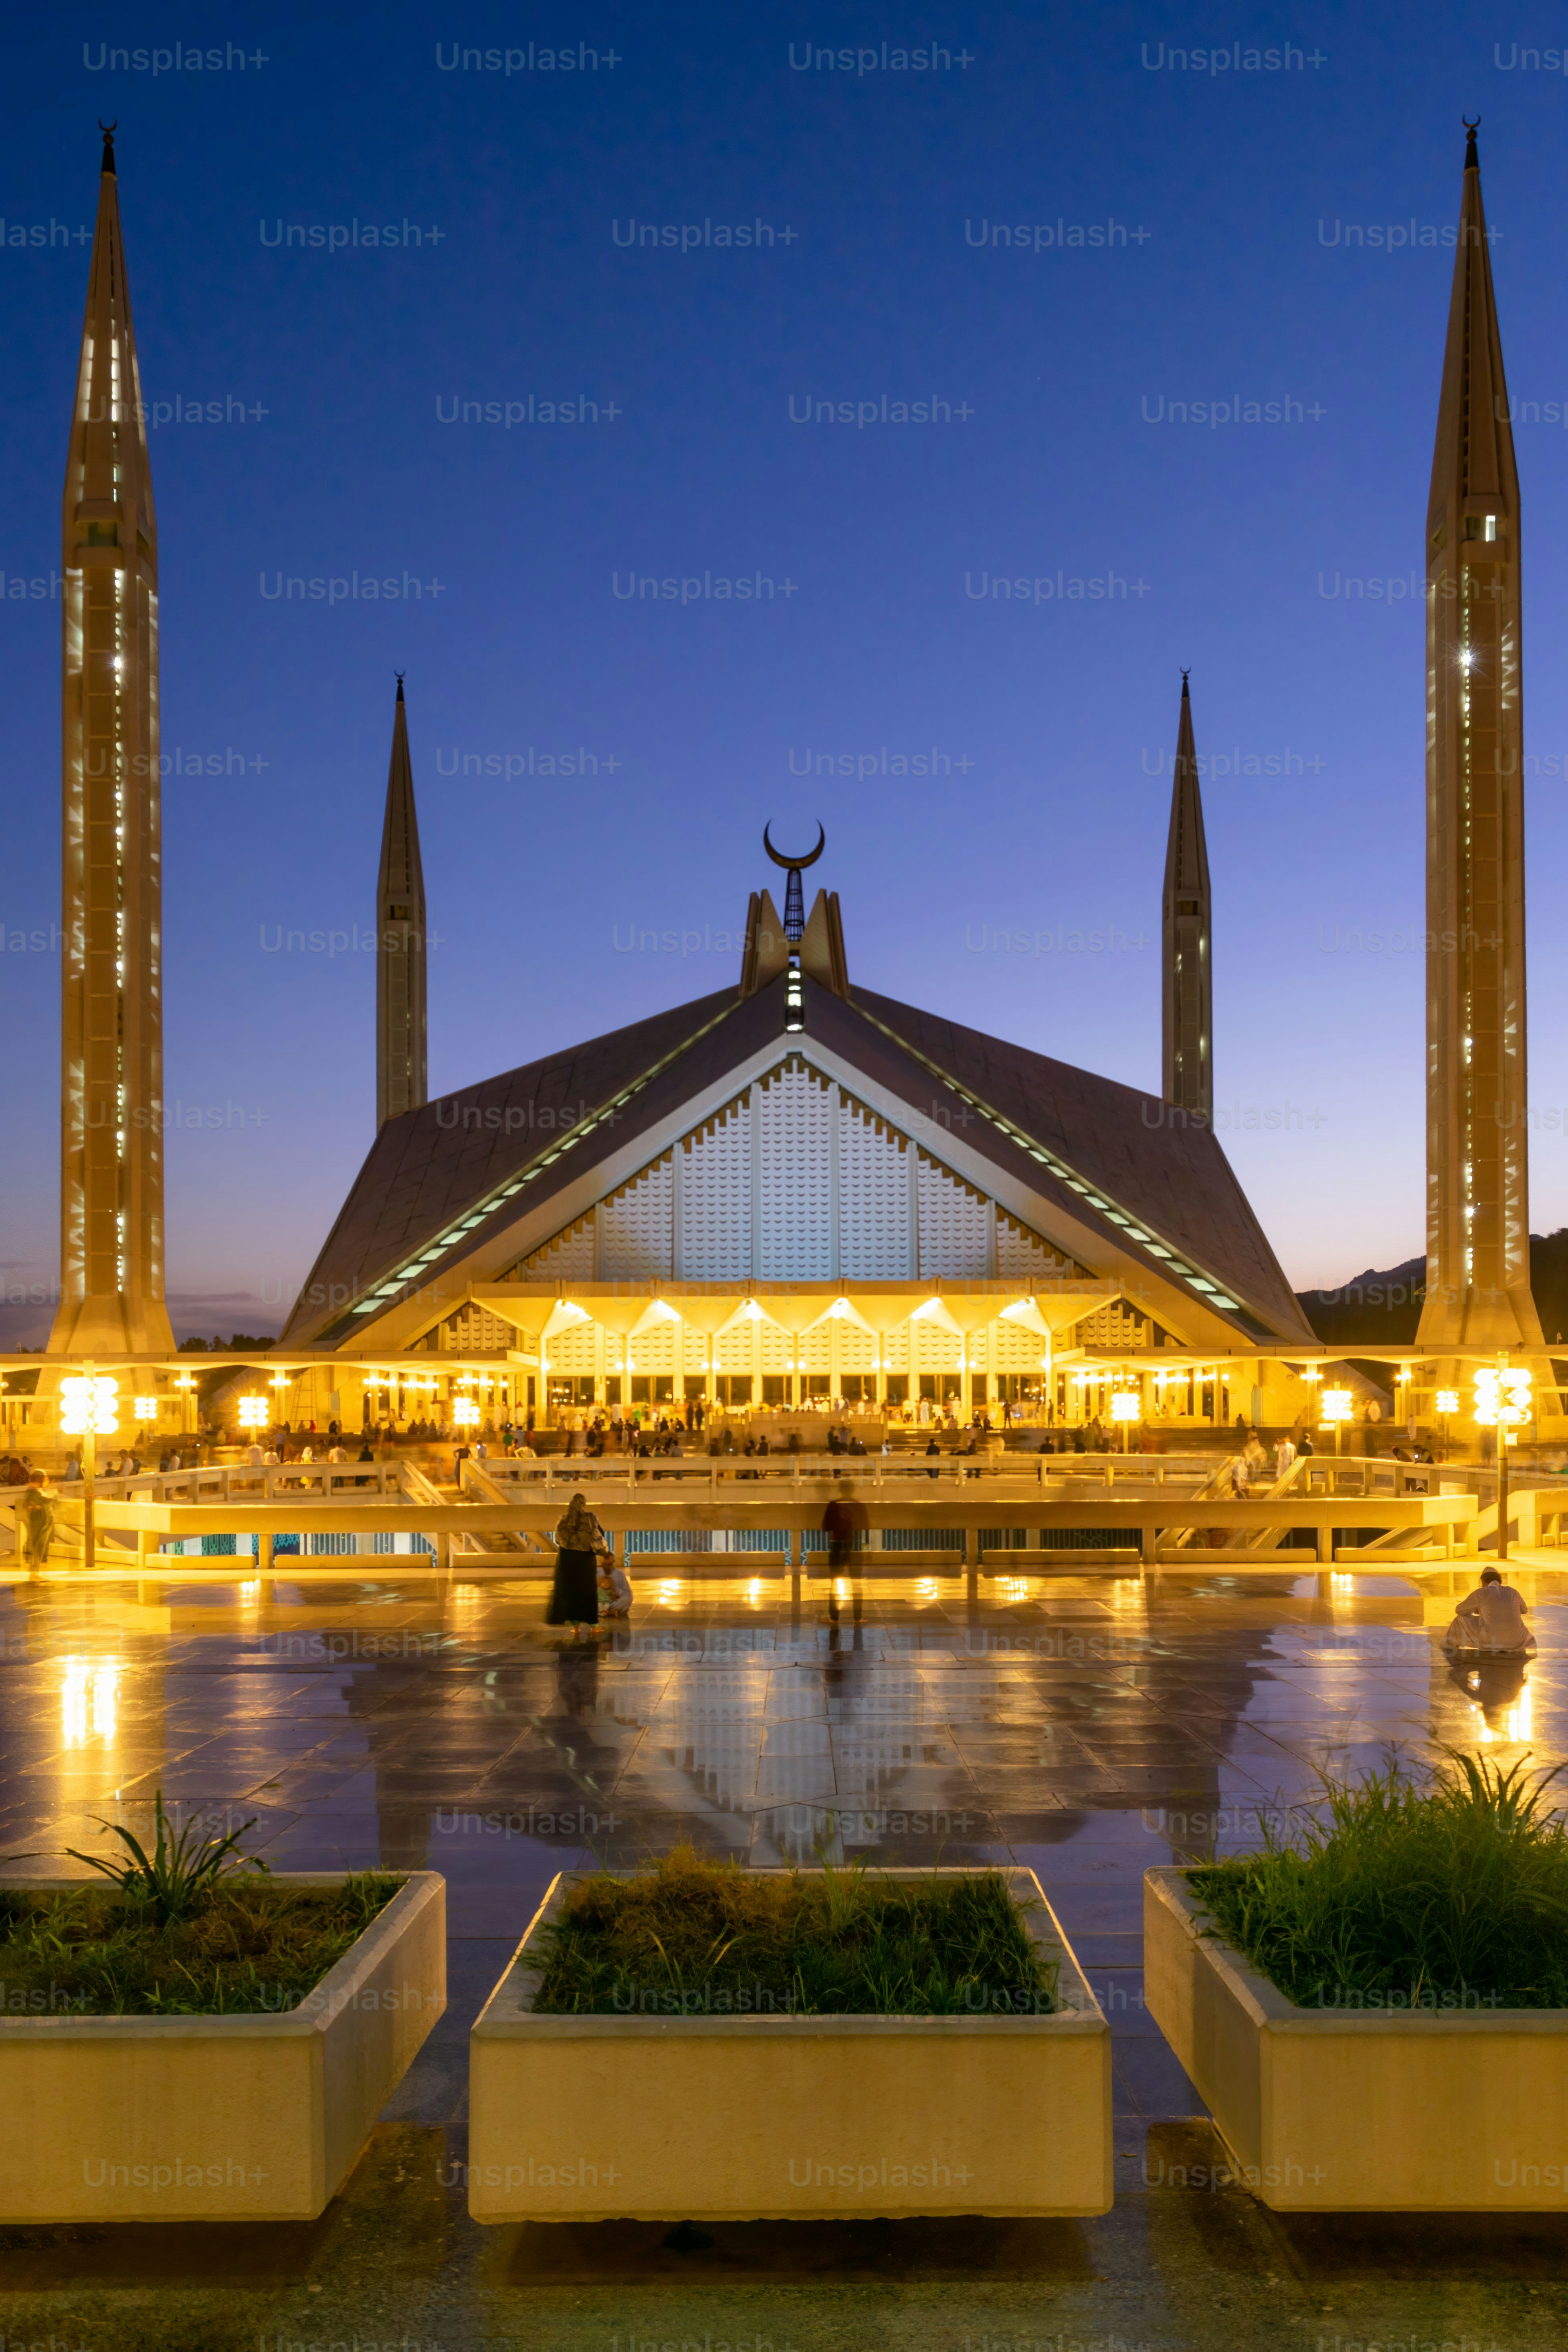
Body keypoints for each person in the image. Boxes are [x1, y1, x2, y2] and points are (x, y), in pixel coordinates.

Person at [546, 1491, 603, 1642]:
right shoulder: (591, 1518)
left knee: (572, 1592)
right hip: (585, 1560)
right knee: (588, 1591)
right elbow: (598, 1536)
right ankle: (594, 1626)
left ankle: (576, 1628)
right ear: (584, 1504)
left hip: (567, 1560)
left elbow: (558, 1540)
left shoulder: (563, 1520)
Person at [1445, 1565, 1534, 1655]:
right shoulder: (1513, 1592)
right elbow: (1524, 1610)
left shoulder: (1480, 1593)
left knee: (1460, 1619)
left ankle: (1449, 1645)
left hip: (1491, 1642)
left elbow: (1460, 1610)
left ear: (1483, 1581)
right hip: (1517, 1642)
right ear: (1500, 1580)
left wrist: (1478, 1610)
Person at [822, 1477, 869, 1634]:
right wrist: (867, 1550)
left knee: (835, 1581)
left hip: (837, 1545)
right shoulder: (859, 1506)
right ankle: (858, 1616)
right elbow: (865, 1528)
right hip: (855, 1546)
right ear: (853, 1489)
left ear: (840, 1489)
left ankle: (834, 1617)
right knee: (857, 1582)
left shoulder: (833, 1506)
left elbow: (826, 1526)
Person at [15, 1471, 58, 1574]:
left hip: (38, 1520)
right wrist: (55, 1492)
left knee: (36, 1542)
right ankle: (35, 1569)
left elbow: (28, 1504)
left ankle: (34, 1568)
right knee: (39, 1544)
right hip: (40, 1520)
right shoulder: (34, 1491)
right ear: (41, 1480)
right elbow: (46, 1500)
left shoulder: (33, 1490)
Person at [597, 1552, 634, 1619]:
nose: (606, 1567)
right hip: (600, 1601)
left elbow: (627, 1593)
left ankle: (604, 1611)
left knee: (627, 1600)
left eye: (609, 1565)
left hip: (614, 1602)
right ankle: (610, 1612)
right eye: (604, 1565)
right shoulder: (598, 1573)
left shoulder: (620, 1575)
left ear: (613, 1563)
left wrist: (614, 1589)